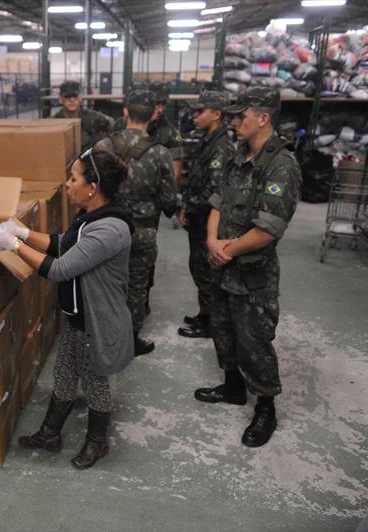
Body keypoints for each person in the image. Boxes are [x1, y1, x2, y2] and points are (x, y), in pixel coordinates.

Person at [0, 148, 134, 470]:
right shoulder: (89, 216)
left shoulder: (110, 228)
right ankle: (50, 433)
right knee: (65, 374)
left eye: (73, 178)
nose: (67, 184)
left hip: (97, 323)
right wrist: (23, 233)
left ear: (92, 187)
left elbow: (60, 269)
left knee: (95, 385)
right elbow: (63, 245)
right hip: (78, 317)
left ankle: (97, 443)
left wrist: (13, 245)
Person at [194, 87, 301, 448]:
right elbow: (218, 203)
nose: (235, 122)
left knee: (254, 341)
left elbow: (269, 229)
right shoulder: (238, 156)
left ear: (263, 118)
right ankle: (233, 387)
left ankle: (266, 407)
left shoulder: (281, 166)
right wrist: (212, 241)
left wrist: (226, 249)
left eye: (241, 116)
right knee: (223, 329)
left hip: (253, 275)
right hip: (223, 265)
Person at [96, 89, 177, 356]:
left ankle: (103, 335)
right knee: (137, 286)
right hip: (142, 231)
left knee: (107, 282)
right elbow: (168, 199)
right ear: (153, 115)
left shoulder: (104, 147)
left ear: (125, 111)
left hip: (107, 229)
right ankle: (129, 340)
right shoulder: (160, 153)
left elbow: (91, 188)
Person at [177, 91, 236, 339]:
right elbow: (197, 181)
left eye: (200, 111)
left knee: (206, 272)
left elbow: (215, 192)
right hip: (198, 218)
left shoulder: (221, 147)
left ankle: (212, 323)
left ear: (216, 114)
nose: (195, 116)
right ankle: (205, 314)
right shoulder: (208, 140)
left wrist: (190, 205)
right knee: (199, 268)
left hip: (207, 221)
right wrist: (186, 205)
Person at [52, 80, 114, 152]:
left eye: (75, 96)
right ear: (60, 99)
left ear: (80, 98)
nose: (72, 100)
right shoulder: (53, 122)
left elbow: (111, 123)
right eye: (67, 96)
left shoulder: (93, 118)